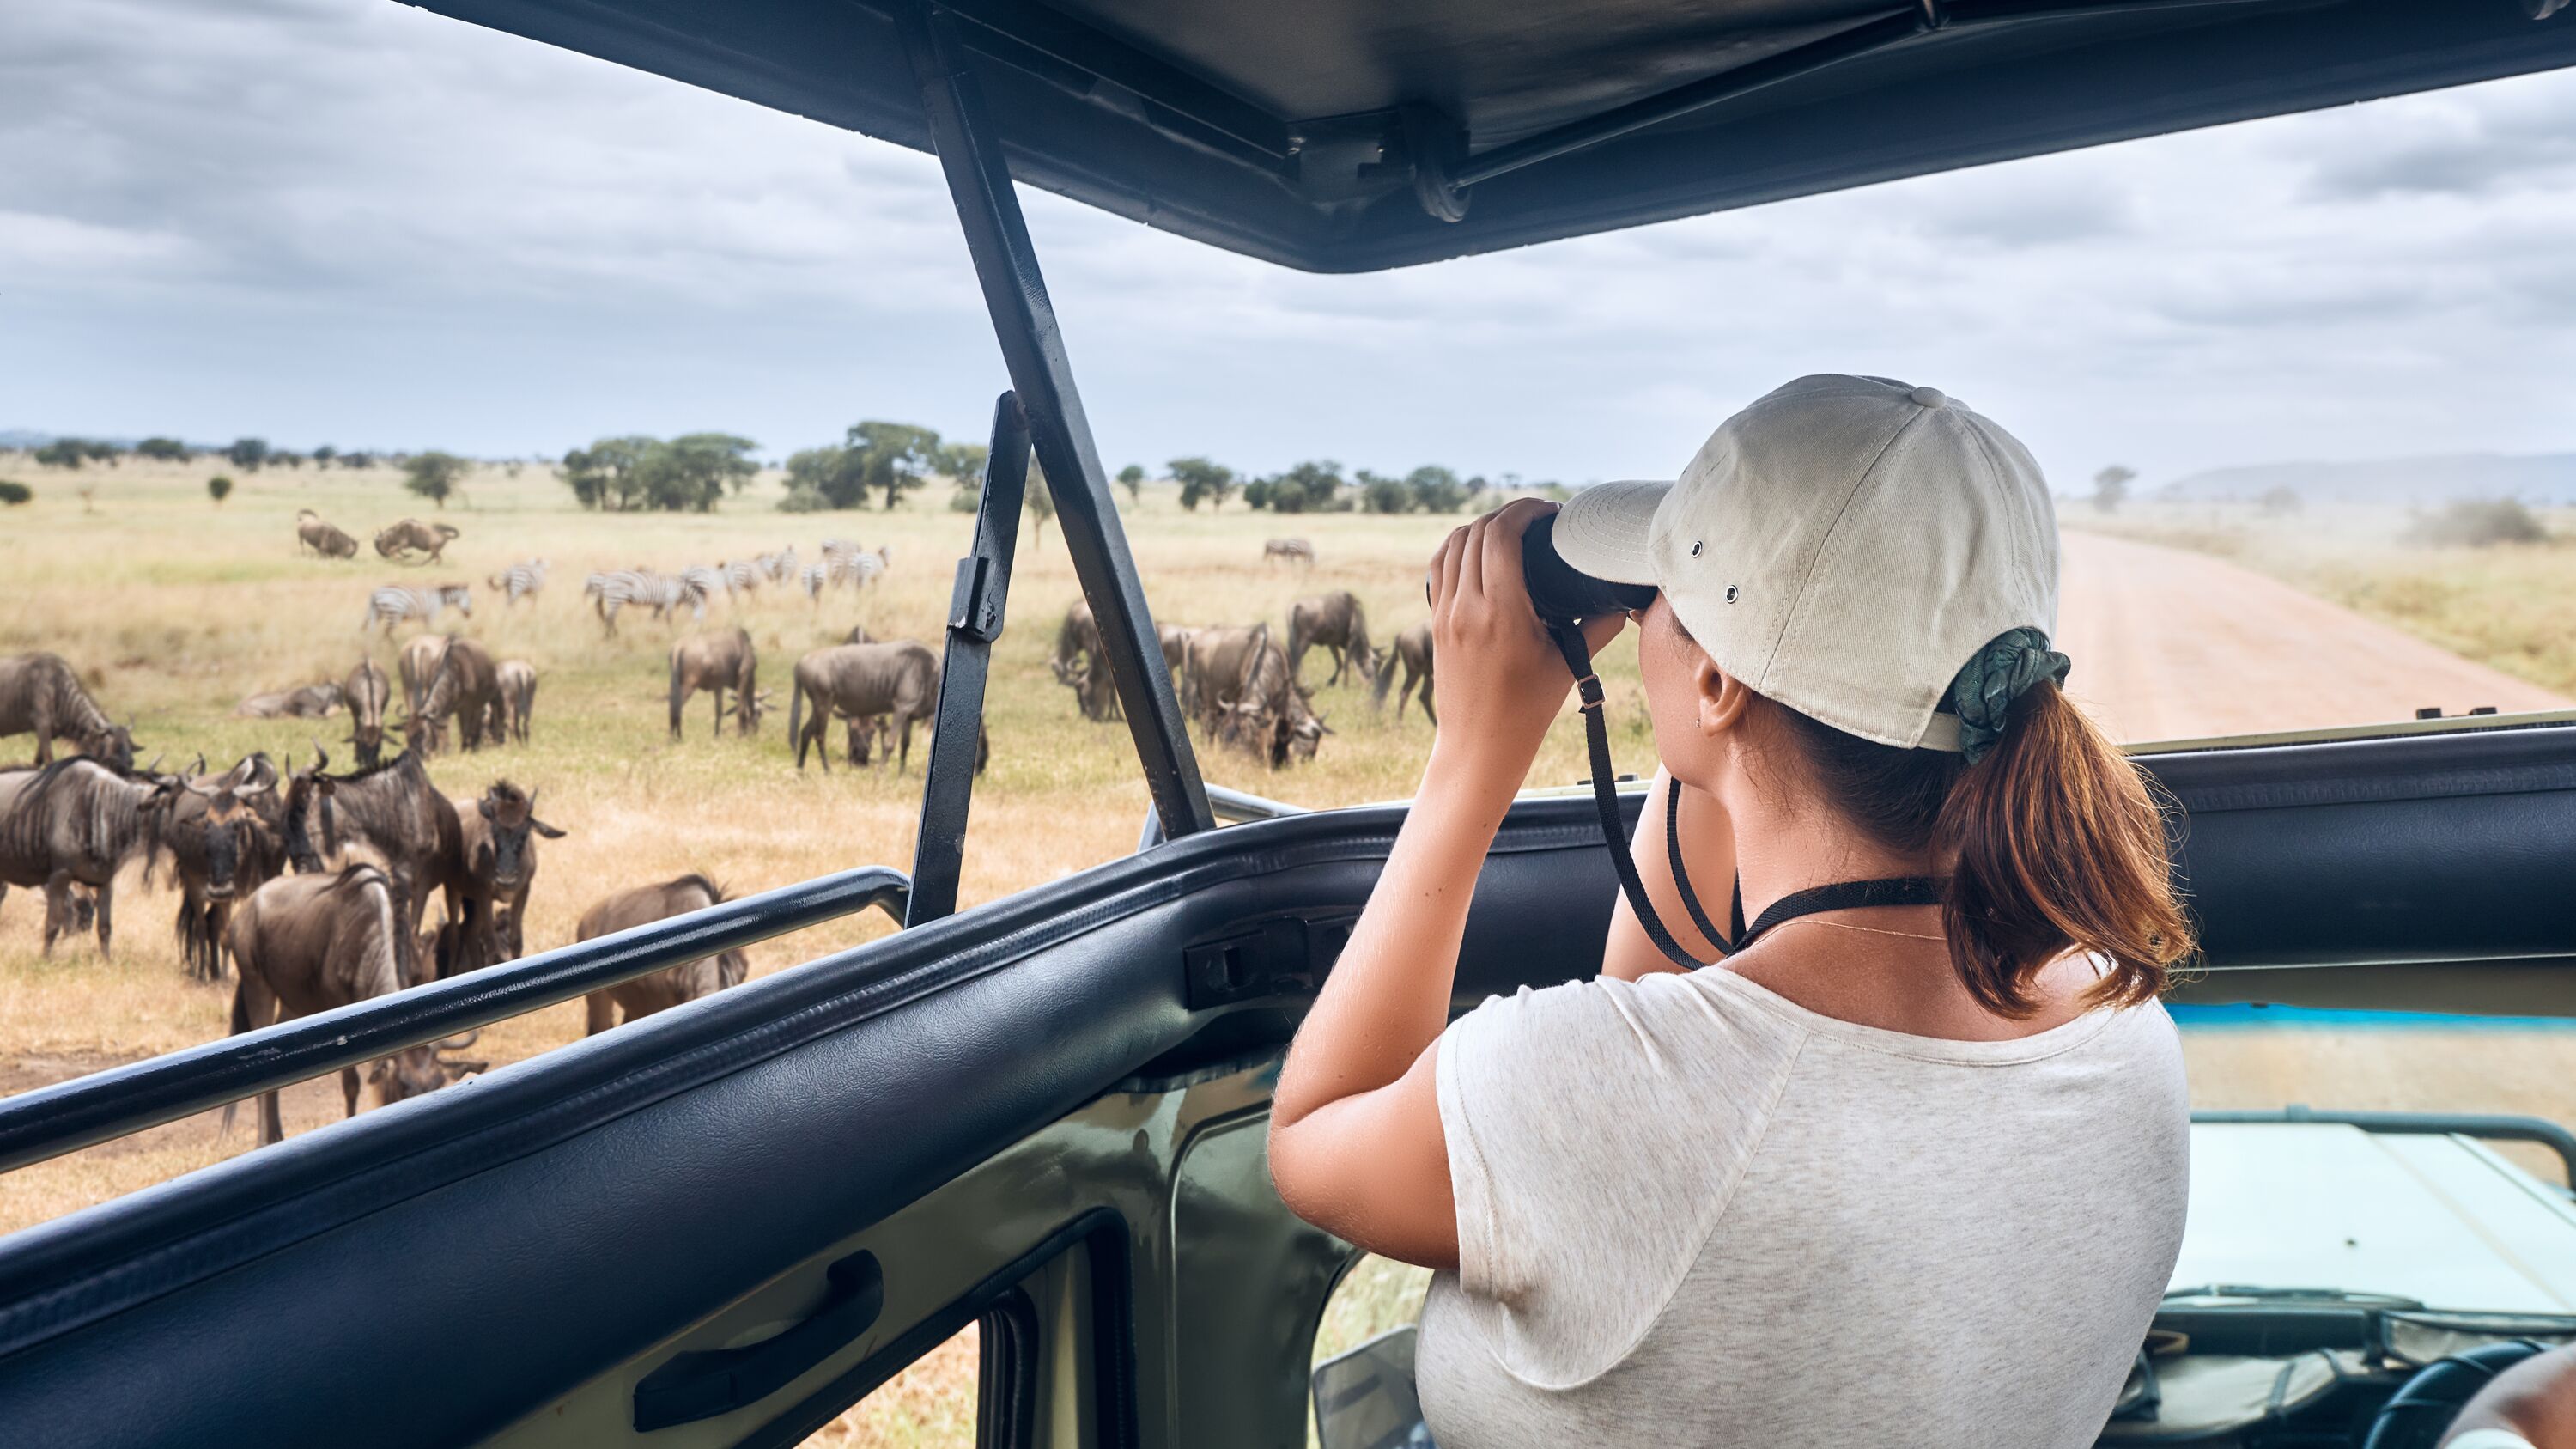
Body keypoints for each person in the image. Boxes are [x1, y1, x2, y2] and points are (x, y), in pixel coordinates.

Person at [1267, 374, 2195, 1447]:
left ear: (1716, 683)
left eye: (1664, 596)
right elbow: (1669, 1060)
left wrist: (1472, 755)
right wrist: (1721, 720)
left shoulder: (1603, 1094)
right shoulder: (2127, 1037)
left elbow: (1314, 1138)